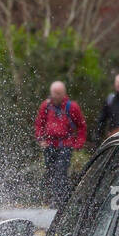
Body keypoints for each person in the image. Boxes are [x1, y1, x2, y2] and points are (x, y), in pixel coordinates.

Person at [33, 80, 87, 208]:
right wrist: (41, 139)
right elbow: (39, 124)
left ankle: (60, 201)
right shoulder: (45, 106)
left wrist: (78, 143)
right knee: (50, 172)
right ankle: (52, 199)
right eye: (54, 93)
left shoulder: (72, 107)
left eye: (58, 93)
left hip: (65, 145)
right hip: (49, 145)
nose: (56, 96)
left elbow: (81, 126)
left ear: (64, 93)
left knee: (61, 172)